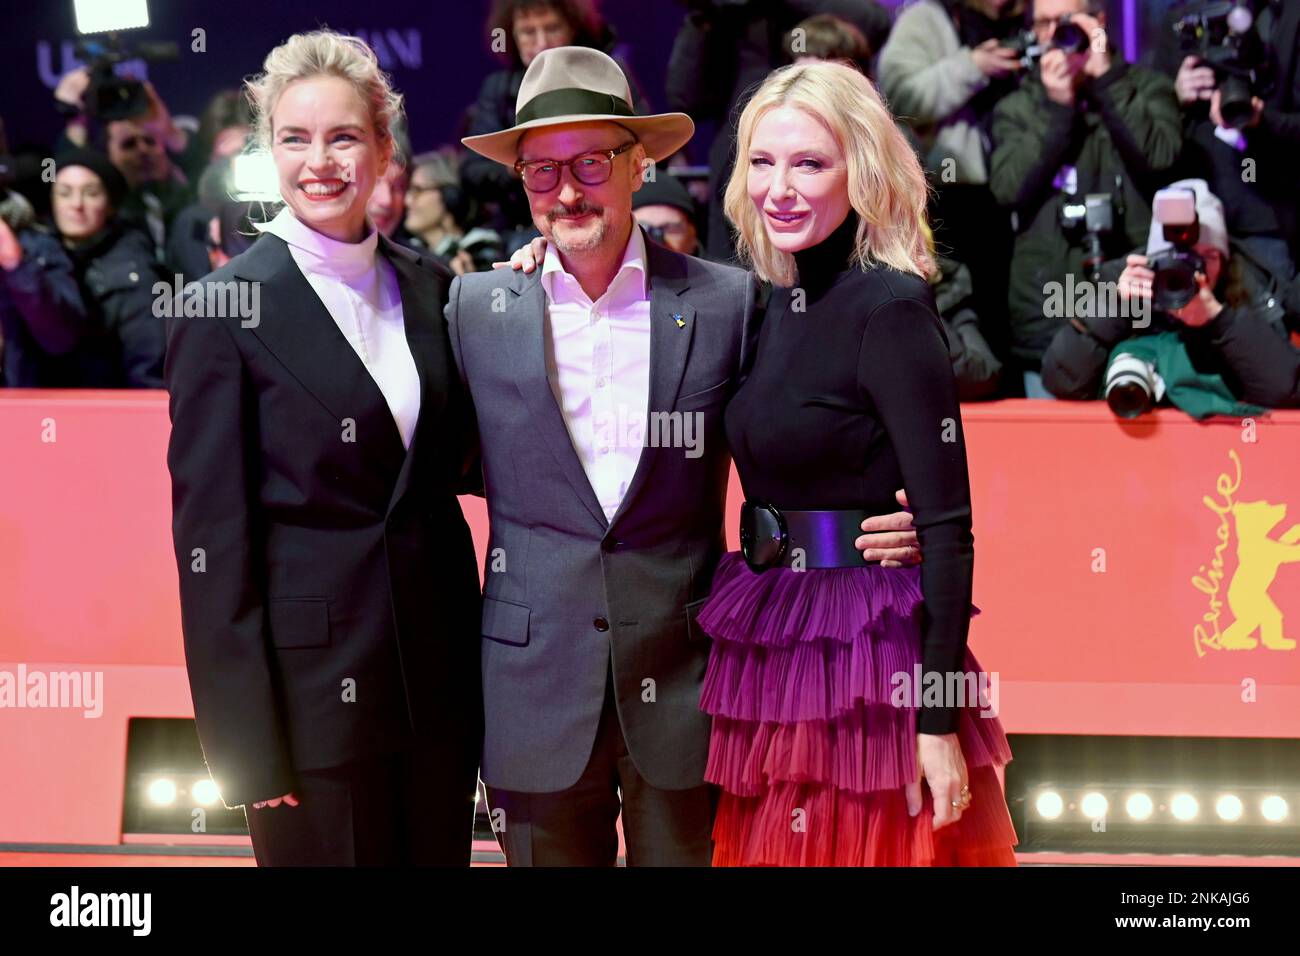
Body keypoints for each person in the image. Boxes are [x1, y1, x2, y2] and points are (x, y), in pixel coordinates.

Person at [450, 46, 922, 866]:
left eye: (592, 163)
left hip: (689, 682)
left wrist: (870, 523)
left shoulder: (729, 300)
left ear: (640, 164)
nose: (567, 190)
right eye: (542, 170)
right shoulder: (476, 307)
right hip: (533, 689)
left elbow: (801, 426)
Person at [165, 30, 481, 866]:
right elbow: (211, 547)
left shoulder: (435, 289)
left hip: (441, 691)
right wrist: (243, 745)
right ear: (270, 152)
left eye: (343, 137)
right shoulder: (222, 308)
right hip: (309, 712)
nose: (321, 162)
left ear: (383, 147)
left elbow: (471, 461)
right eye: (295, 140)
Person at [699, 59, 1017, 865]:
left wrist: (938, 725)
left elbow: (947, 532)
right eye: (763, 162)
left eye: (810, 163)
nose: (780, 187)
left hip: (867, 660)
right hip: (774, 633)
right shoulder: (771, 301)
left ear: (862, 172)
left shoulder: (891, 307)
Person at [990, 0, 1182, 397]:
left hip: (1138, 316)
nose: (1055, 35)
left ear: (1098, 22)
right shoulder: (1019, 107)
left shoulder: (1147, 88)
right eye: (1043, 24)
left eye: (1065, 22)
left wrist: (1106, 78)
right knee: (1052, 456)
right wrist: (1056, 110)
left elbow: (1161, 160)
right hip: (1050, 320)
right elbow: (1008, 188)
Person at [1041, 179, 1300, 410]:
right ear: (1154, 257)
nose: (1193, 268)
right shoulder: (1125, 279)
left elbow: (1284, 391)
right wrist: (1114, 308)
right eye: (1180, 257)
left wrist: (1220, 321)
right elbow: (1063, 382)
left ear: (1224, 258)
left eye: (1208, 256)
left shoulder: (1244, 285)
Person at [39, 149, 166, 387]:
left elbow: (150, 370)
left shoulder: (135, 272)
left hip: (108, 411)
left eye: (91, 193)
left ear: (110, 204)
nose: (76, 205)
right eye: (64, 193)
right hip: (35, 411)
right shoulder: (36, 260)